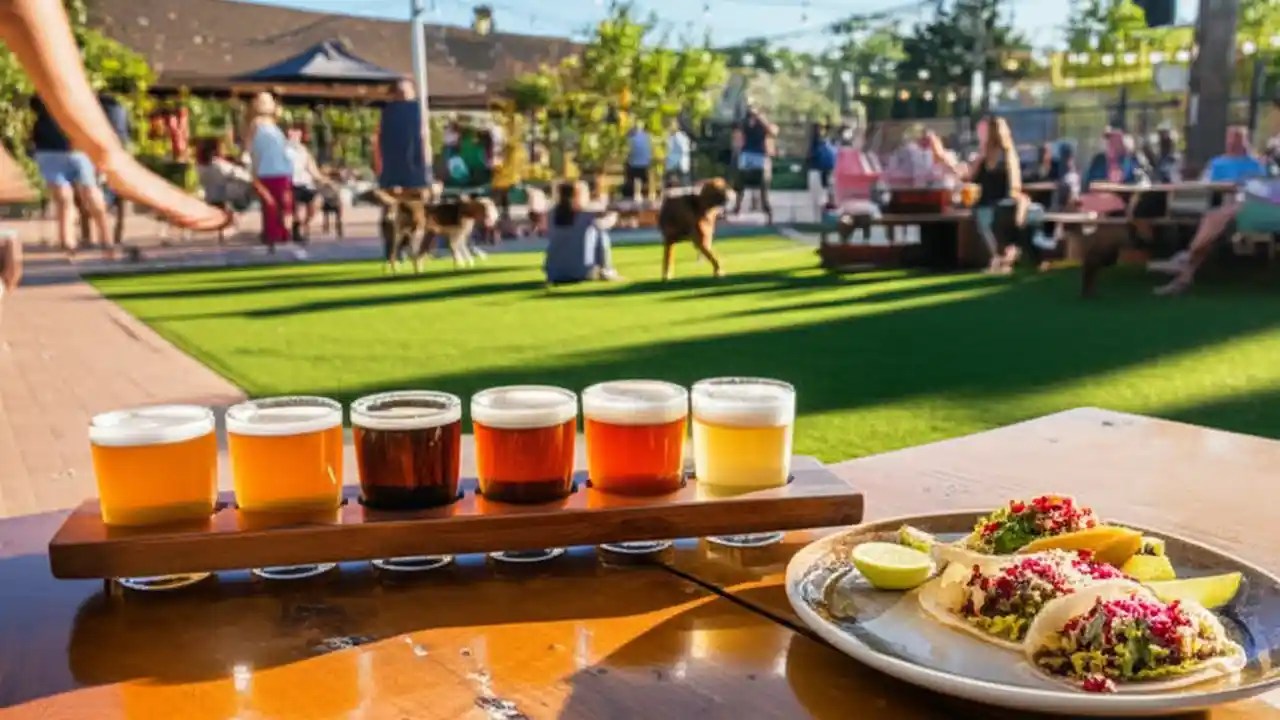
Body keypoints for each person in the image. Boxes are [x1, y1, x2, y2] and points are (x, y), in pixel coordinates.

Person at [0, 0, 225, 233]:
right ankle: (112, 162)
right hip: (64, 151)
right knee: (68, 199)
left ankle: (110, 173)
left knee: (79, 197)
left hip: (71, 150)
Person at [29, 94, 113, 258]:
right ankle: (68, 244)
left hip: (73, 149)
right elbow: (34, 104)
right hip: (50, 150)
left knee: (89, 193)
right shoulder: (45, 93)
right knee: (64, 197)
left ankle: (106, 239)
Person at [245, 92, 298, 256]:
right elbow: (251, 149)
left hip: (281, 171)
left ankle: (283, 234)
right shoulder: (256, 124)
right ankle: (272, 236)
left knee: (284, 205)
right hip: (266, 171)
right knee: (271, 206)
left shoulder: (275, 125)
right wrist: (252, 170)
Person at [543, 181, 620, 284]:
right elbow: (608, 222)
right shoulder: (588, 215)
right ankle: (606, 270)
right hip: (581, 272)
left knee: (595, 227)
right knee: (601, 232)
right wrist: (613, 215)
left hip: (554, 273)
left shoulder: (551, 214)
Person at [373, 78, 430, 191]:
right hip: (402, 171)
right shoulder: (393, 111)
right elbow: (378, 140)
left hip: (404, 171)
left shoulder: (413, 109)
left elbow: (423, 137)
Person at [195, 138, 253, 244]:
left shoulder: (200, 166)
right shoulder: (219, 165)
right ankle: (233, 218)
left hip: (210, 196)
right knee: (243, 188)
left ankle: (224, 228)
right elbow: (241, 175)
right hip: (223, 196)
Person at [732, 104, 777, 224]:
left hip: (759, 156)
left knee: (763, 187)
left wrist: (761, 120)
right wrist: (737, 149)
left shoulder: (762, 124)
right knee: (740, 184)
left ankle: (767, 211)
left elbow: (772, 132)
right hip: (747, 155)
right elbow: (738, 136)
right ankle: (737, 207)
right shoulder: (744, 123)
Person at [285, 124, 324, 244]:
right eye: (292, 132)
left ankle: (304, 224)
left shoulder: (303, 150)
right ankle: (296, 230)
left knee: (317, 201)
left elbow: (312, 168)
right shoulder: (283, 150)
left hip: (305, 183)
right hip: (291, 184)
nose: (294, 135)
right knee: (298, 209)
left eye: (297, 132)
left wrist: (323, 179)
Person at [625, 120, 652, 200]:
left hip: (634, 162)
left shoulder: (632, 137)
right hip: (644, 162)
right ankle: (645, 194)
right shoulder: (647, 136)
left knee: (635, 177)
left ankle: (637, 194)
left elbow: (629, 150)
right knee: (641, 177)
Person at [665, 119, 692, 189]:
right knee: (670, 182)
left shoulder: (681, 136)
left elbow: (684, 150)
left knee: (684, 182)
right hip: (672, 163)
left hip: (680, 163)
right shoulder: (669, 137)